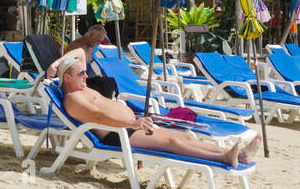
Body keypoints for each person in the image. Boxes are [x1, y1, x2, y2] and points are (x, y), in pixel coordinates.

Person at [58, 58, 260, 166]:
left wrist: (134, 120)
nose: (86, 76)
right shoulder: (73, 99)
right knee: (173, 143)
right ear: (67, 78)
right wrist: (130, 123)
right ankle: (223, 158)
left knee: (183, 137)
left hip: (129, 127)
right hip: (116, 135)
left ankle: (237, 155)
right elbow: (98, 117)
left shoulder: (84, 90)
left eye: (85, 72)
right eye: (81, 73)